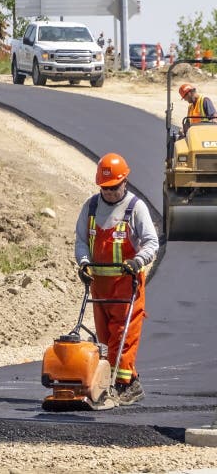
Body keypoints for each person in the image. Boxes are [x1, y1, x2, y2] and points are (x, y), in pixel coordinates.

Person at [74, 153, 159, 406]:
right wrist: (84, 263)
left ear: (125, 182)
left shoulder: (136, 208)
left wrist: (138, 261)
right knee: (104, 338)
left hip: (126, 287)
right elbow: (81, 241)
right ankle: (119, 382)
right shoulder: (90, 207)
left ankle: (122, 385)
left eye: (113, 188)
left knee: (123, 336)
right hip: (100, 289)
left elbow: (151, 242)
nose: (109, 193)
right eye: (105, 188)